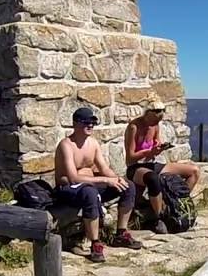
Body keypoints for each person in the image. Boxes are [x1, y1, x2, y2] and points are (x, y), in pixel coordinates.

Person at [54, 107, 143, 263]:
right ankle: (95, 243)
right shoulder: (66, 145)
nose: (90, 125)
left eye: (92, 122)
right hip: (68, 188)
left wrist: (116, 178)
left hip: (90, 184)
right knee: (90, 193)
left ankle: (121, 234)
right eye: (85, 122)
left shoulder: (93, 144)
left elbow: (104, 168)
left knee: (128, 186)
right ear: (75, 124)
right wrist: (105, 180)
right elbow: (73, 178)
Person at [124, 97, 203, 225]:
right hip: (135, 167)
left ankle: (177, 204)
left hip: (152, 163)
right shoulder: (134, 127)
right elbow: (130, 157)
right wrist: (148, 152)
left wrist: (159, 148)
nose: (155, 123)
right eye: (154, 120)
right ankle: (159, 217)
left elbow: (156, 143)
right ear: (147, 114)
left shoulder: (155, 126)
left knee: (194, 171)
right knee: (153, 178)